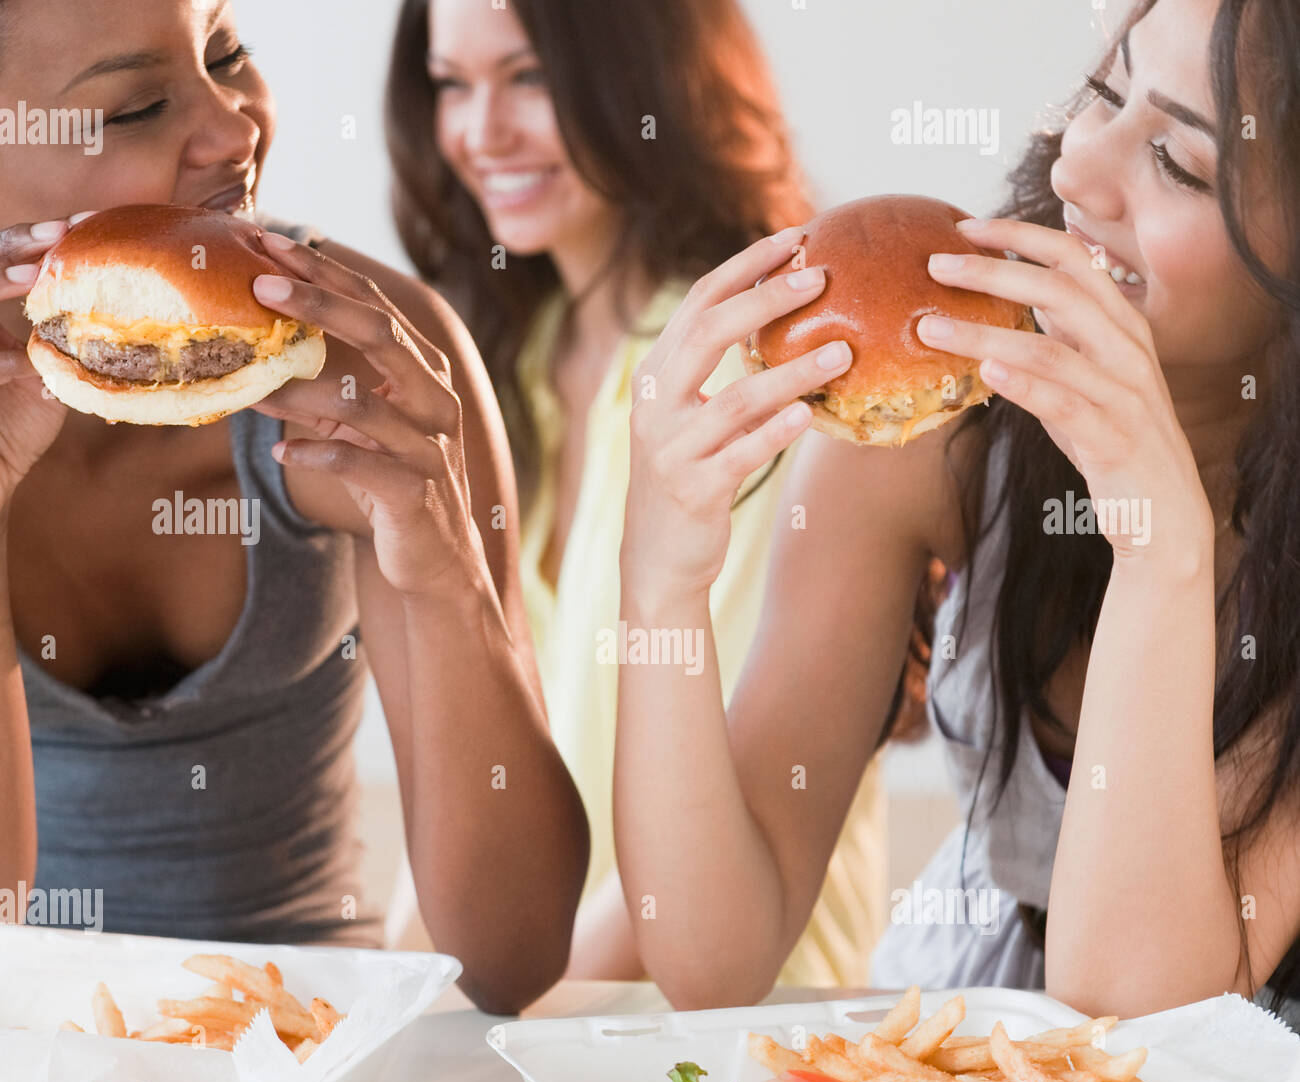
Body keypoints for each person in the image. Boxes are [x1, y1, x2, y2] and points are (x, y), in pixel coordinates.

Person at [614, 0, 1300, 1028]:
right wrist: (660, 584)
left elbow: (1136, 1020)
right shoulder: (938, 432)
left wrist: (1157, 556)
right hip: (971, 1038)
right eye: (1104, 94)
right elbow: (711, 955)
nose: (1075, 173)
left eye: (1178, 163)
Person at [0, 0, 589, 1014]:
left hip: (314, 1061)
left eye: (227, 53)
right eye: (136, 106)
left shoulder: (375, 352)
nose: (235, 127)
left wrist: (443, 569)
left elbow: (513, 957)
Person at [385, 0, 894, 985]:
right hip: (539, 1026)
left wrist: (494, 1023)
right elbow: (465, 781)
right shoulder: (511, 363)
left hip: (732, 1039)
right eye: (452, 84)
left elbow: (729, 789)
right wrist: (391, 1002)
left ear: (651, 77)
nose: (480, 132)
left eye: (527, 77)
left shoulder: (756, 373)